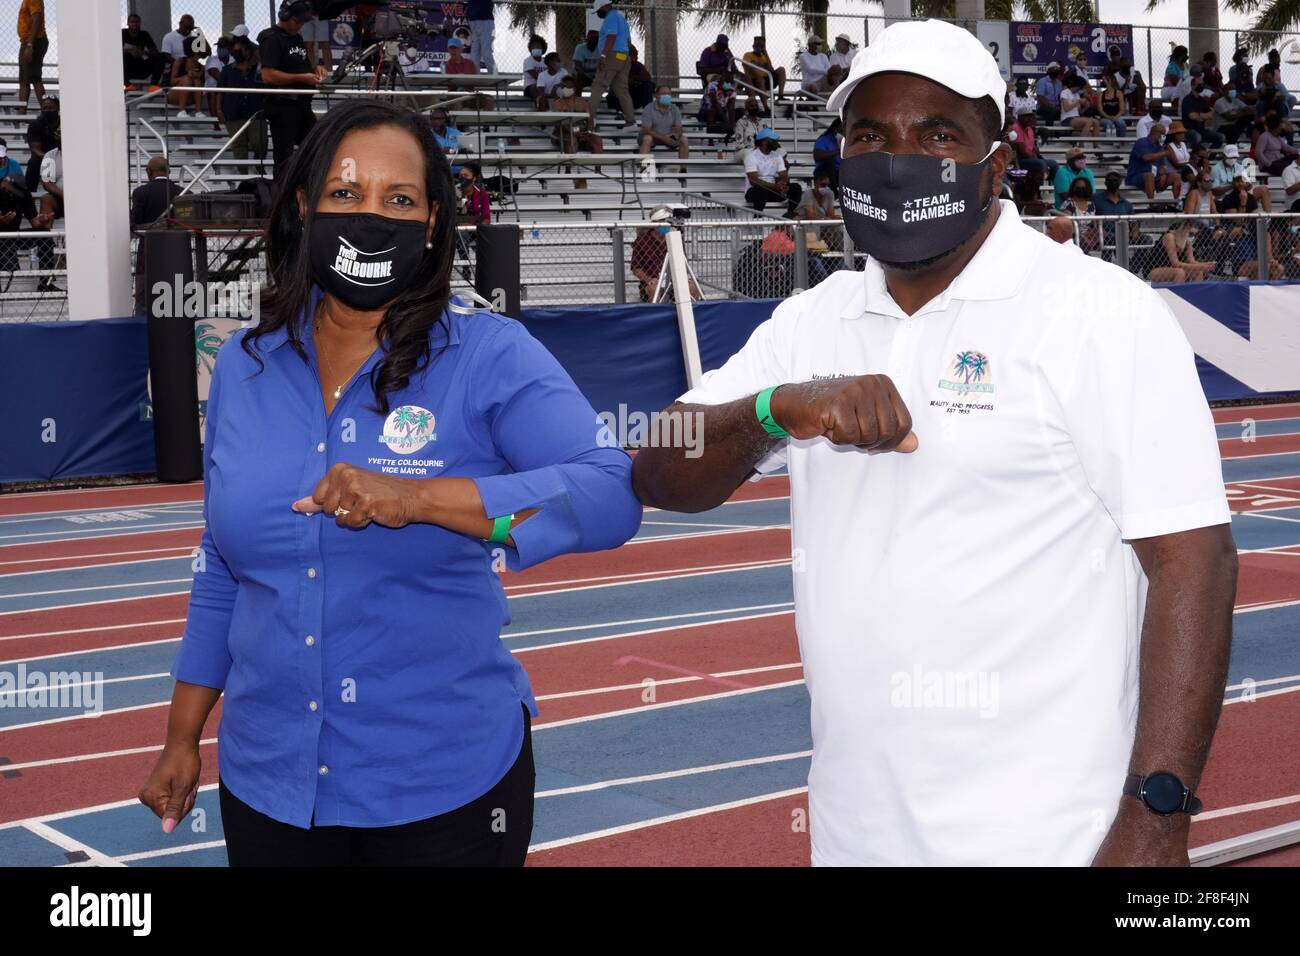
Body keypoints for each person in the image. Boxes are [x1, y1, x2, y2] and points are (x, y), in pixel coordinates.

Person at [631, 19, 1235, 867]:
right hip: (855, 835)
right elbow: (659, 470)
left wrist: (1157, 817)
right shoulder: (813, 319)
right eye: (871, 134)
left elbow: (1193, 561)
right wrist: (777, 408)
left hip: (1057, 835)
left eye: (938, 134)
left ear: (994, 163)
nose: (899, 156)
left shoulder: (1100, 312)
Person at [137, 99, 640, 867]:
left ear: (434, 222)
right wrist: (181, 736)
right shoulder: (245, 364)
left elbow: (611, 493)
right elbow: (223, 567)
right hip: (266, 785)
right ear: (305, 205)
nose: (369, 217)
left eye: (398, 200)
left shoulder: (488, 354)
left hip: (446, 791)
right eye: (345, 194)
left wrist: (417, 500)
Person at [258, 1, 326, 179]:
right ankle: (281, 197)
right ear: (285, 16)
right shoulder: (271, 37)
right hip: (283, 104)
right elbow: (268, 75)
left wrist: (315, 70)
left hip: (302, 104)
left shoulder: (296, 37)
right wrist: (302, 78)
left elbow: (300, 65)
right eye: (297, 21)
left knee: (318, 146)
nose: (300, 25)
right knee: (284, 157)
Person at [217, 39, 267, 176]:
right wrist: (219, 110)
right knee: (239, 146)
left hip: (255, 112)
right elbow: (220, 91)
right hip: (233, 113)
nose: (238, 53)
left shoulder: (257, 69)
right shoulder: (226, 71)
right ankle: (243, 175)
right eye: (235, 51)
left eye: (241, 50)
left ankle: (259, 164)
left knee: (259, 142)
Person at [587, 0, 635, 129]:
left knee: (598, 86)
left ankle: (589, 120)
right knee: (622, 90)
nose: (598, 14)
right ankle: (630, 122)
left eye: (599, 11)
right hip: (623, 57)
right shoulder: (620, 18)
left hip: (611, 56)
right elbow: (627, 41)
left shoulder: (610, 18)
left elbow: (611, 37)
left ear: (604, 6)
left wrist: (603, 55)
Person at [743, 127, 800, 215]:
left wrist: (783, 184)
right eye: (774, 141)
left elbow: (783, 175)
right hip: (754, 192)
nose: (777, 143)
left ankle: (790, 215)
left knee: (796, 187)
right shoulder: (751, 156)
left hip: (774, 190)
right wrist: (774, 186)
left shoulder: (777, 156)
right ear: (764, 141)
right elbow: (754, 181)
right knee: (761, 190)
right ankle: (757, 220)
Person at [1209, 144, 1272, 213]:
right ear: (1224, 155)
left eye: (1234, 157)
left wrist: (1245, 185)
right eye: (1230, 157)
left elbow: (1249, 185)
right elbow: (1215, 191)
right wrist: (1233, 186)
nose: (1233, 159)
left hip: (1241, 193)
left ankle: (1268, 218)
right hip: (1225, 197)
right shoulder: (1216, 169)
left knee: (1263, 189)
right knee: (1234, 200)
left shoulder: (1240, 167)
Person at [639, 86, 689, 159]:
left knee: (684, 139)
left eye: (668, 93)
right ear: (656, 96)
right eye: (663, 93)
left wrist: (676, 136)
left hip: (669, 137)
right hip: (653, 137)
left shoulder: (675, 109)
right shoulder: (648, 108)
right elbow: (646, 130)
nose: (666, 96)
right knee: (647, 138)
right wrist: (663, 138)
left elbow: (679, 128)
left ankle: (683, 169)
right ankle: (643, 167)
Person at [16, 0, 47, 113]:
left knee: (34, 78)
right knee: (24, 79)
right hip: (28, 41)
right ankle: (22, 110)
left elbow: (37, 17)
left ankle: (47, 111)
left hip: (33, 41)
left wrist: (30, 45)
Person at [1010, 108, 1057, 181]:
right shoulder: (1016, 128)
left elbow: (1033, 147)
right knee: (1041, 163)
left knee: (1053, 164)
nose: (1030, 118)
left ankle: (1054, 185)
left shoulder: (1029, 129)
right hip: (1020, 160)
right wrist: (1034, 156)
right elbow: (1022, 151)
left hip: (1031, 158)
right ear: (1019, 117)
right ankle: (1040, 185)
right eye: (1026, 116)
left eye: (1031, 116)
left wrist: (1036, 153)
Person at [742, 36, 785, 113]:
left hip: (767, 78)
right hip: (755, 80)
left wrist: (766, 54)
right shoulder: (748, 55)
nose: (758, 47)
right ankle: (766, 107)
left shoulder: (764, 57)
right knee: (760, 79)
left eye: (760, 46)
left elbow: (771, 69)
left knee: (781, 70)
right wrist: (758, 72)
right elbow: (746, 65)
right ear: (753, 46)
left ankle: (780, 96)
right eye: (756, 45)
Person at [123, 13, 165, 88]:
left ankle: (153, 85)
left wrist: (143, 53)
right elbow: (113, 52)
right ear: (128, 23)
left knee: (161, 56)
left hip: (140, 67)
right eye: (132, 22)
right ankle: (128, 85)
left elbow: (154, 52)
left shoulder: (144, 34)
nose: (135, 24)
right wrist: (130, 51)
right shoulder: (122, 33)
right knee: (121, 58)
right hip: (127, 69)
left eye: (137, 22)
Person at [1181, 77, 1222, 149]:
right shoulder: (1187, 100)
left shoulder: (1201, 100)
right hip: (1189, 130)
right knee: (1197, 137)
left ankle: (1208, 158)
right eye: (1200, 84)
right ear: (1193, 86)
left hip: (1201, 129)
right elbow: (1192, 116)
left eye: (1203, 84)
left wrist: (1199, 115)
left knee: (1220, 137)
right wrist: (1202, 116)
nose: (1202, 86)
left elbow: (1210, 115)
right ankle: (1196, 157)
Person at [299, 2, 332, 71]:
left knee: (324, 43)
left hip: (321, 12)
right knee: (308, 44)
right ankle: (312, 70)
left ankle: (329, 71)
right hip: (305, 12)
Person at [466, 0, 496, 73]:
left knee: (486, 52)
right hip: (474, 21)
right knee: (474, 52)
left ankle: (493, 75)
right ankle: (475, 76)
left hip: (486, 20)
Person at [812, 117, 841, 189]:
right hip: (826, 171)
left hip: (843, 171)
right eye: (841, 130)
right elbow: (817, 155)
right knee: (829, 162)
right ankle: (834, 191)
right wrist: (838, 150)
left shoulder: (850, 139)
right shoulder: (824, 139)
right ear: (835, 129)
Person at [1096, 72, 1126, 137]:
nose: (1102, 81)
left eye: (1104, 79)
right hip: (1105, 118)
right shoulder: (1101, 94)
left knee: (1121, 123)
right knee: (1109, 124)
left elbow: (1122, 110)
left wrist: (1115, 117)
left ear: (1109, 81)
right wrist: (1108, 117)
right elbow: (1100, 110)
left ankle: (1121, 141)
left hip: (1116, 116)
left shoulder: (1118, 93)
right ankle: (1112, 141)